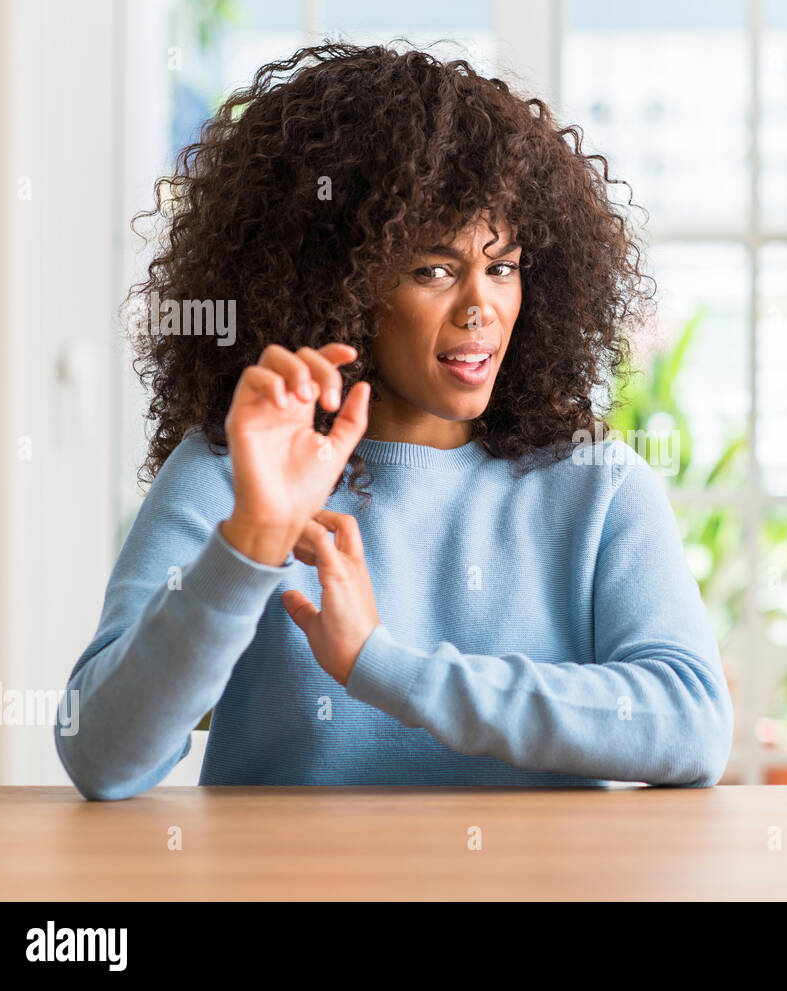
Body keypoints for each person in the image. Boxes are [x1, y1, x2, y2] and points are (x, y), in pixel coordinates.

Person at [56, 42, 733, 799]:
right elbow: (102, 755)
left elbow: (691, 724)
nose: (481, 306)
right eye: (433, 269)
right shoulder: (233, 475)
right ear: (340, 286)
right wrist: (250, 543)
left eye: (501, 267)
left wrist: (386, 665)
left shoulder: (594, 485)